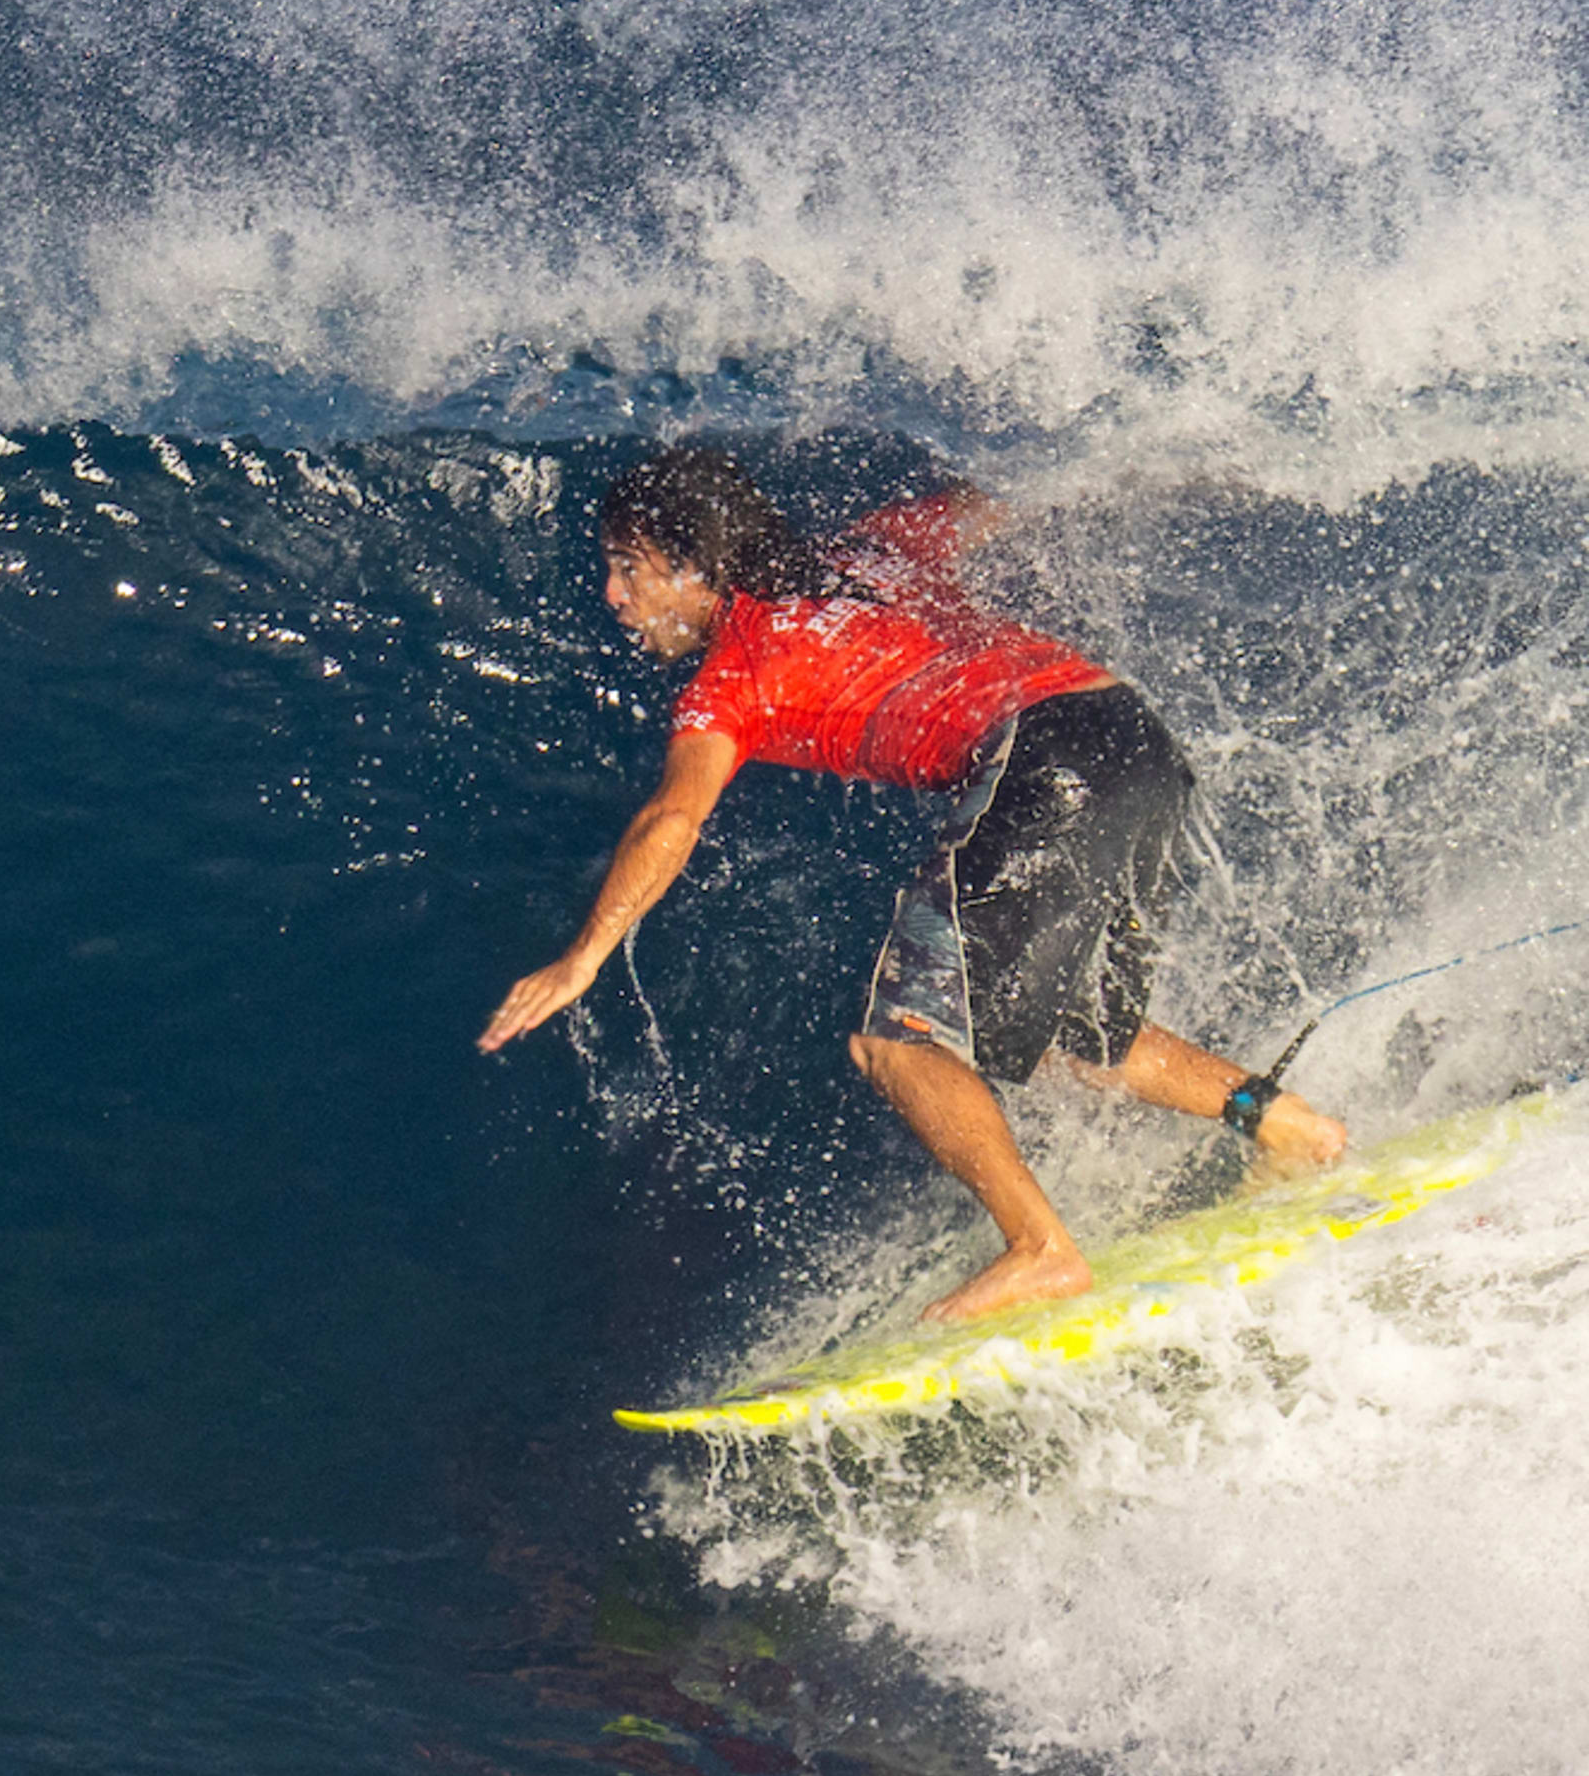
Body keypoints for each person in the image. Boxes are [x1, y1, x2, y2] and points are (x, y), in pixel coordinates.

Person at [476, 446, 1345, 1323]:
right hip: (1132, 736)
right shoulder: (871, 553)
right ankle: (1285, 1124)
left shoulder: (732, 677)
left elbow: (672, 818)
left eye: (630, 568)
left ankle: (1042, 1250)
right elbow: (1013, 495)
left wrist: (584, 957)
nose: (613, 597)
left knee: (899, 1044)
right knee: (1065, 1028)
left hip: (1043, 757)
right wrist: (1201, 456)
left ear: (697, 568)